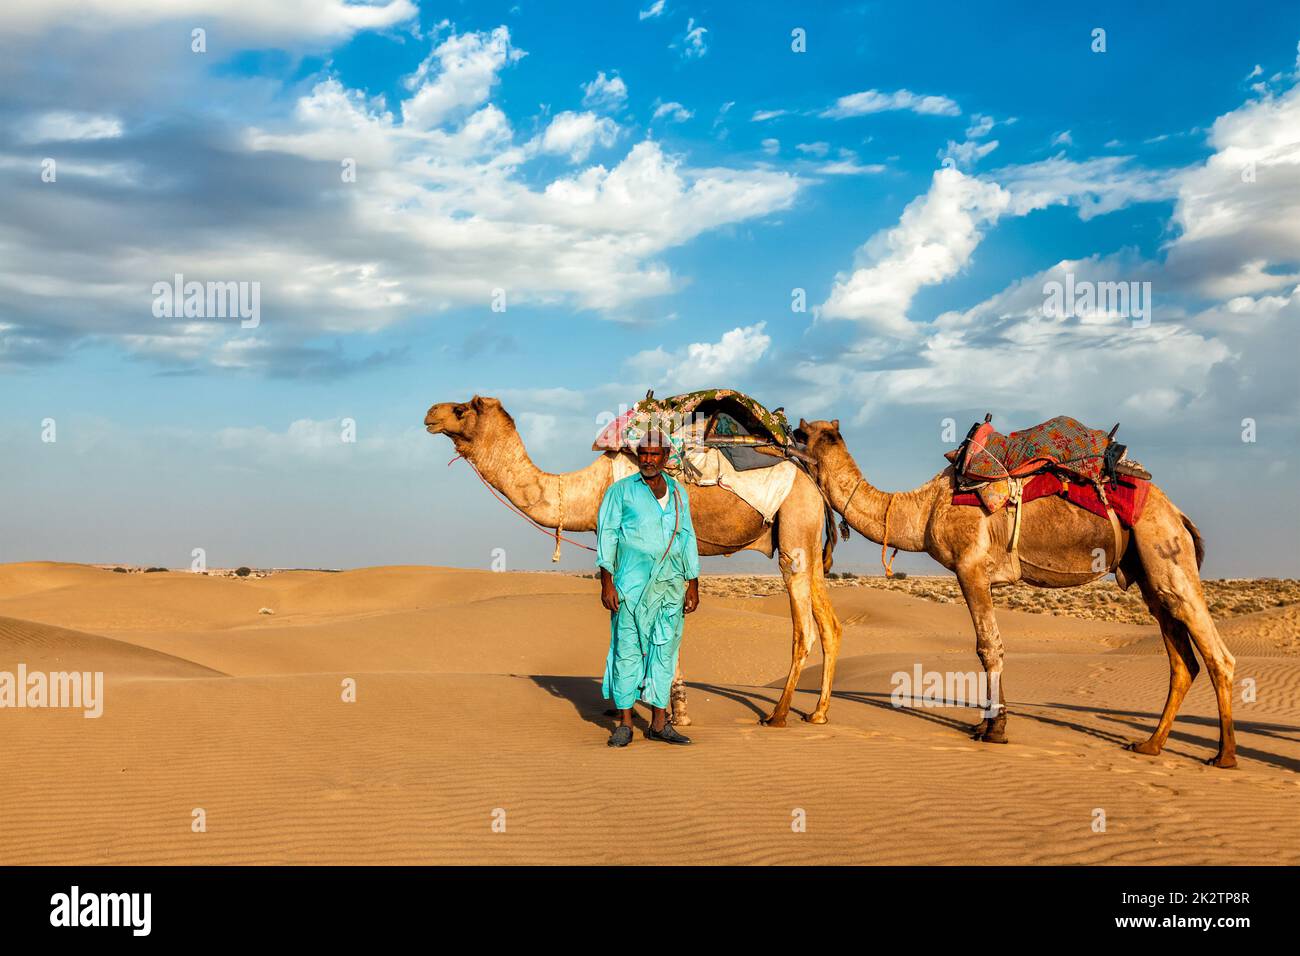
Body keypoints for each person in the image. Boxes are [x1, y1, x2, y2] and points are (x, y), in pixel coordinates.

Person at [596, 432, 700, 747]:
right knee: (627, 652)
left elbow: (687, 537)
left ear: (666, 457)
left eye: (655, 454)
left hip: (669, 588)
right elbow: (607, 535)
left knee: (664, 651)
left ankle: (658, 722)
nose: (648, 460)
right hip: (630, 587)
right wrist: (606, 581)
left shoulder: (679, 493)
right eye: (644, 454)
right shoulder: (620, 492)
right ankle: (625, 724)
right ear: (637, 456)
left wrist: (692, 583)